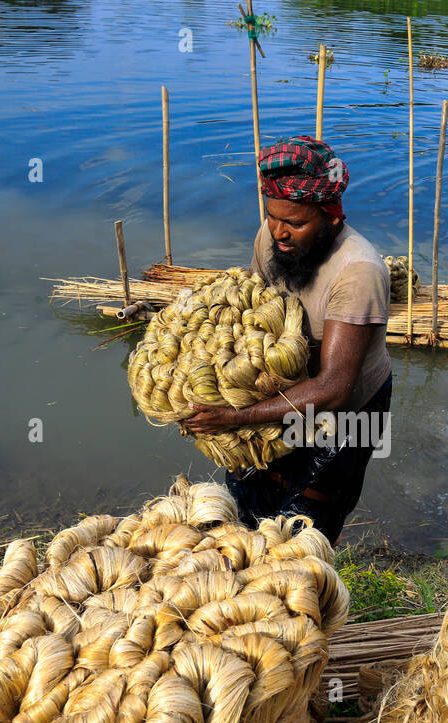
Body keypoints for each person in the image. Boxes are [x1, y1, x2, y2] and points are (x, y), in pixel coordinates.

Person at [184, 135, 392, 545]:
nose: (279, 231)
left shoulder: (357, 271)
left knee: (306, 527)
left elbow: (335, 387)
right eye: (272, 215)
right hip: (283, 394)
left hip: (346, 413)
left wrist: (234, 418)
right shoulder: (271, 236)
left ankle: (311, 597)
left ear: (331, 217)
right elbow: (251, 319)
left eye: (296, 223)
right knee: (249, 505)